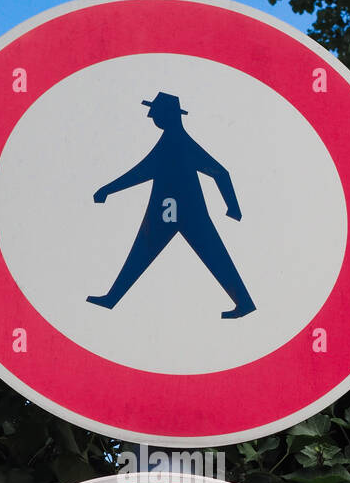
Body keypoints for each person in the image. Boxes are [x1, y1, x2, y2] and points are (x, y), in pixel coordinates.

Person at [87, 93, 256, 318]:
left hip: (186, 212)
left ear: (168, 115)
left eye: (155, 112)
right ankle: (112, 298)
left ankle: (244, 303)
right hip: (166, 211)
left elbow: (219, 173)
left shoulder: (177, 142)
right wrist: (108, 189)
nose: (152, 117)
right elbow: (144, 171)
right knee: (141, 255)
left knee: (214, 257)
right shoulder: (172, 140)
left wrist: (233, 207)